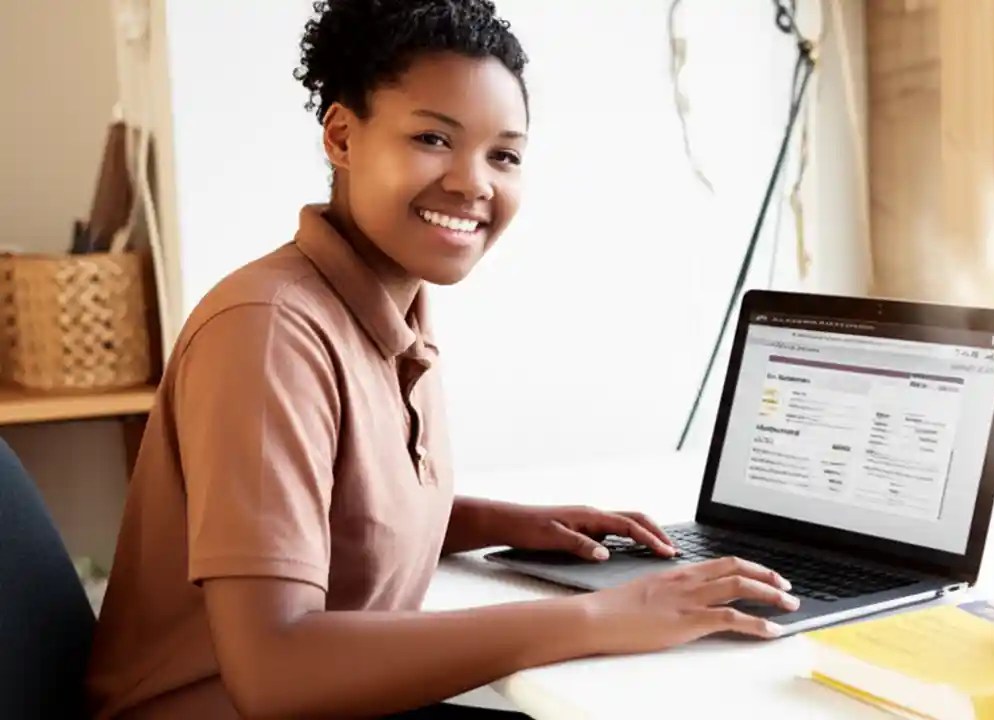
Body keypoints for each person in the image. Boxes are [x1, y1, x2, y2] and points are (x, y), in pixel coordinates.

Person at [85, 1, 798, 718]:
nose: (474, 182)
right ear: (341, 136)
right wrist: (598, 619)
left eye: (505, 155)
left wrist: (501, 522)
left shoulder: (393, 314)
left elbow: (334, 516)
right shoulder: (270, 334)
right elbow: (273, 669)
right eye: (433, 138)